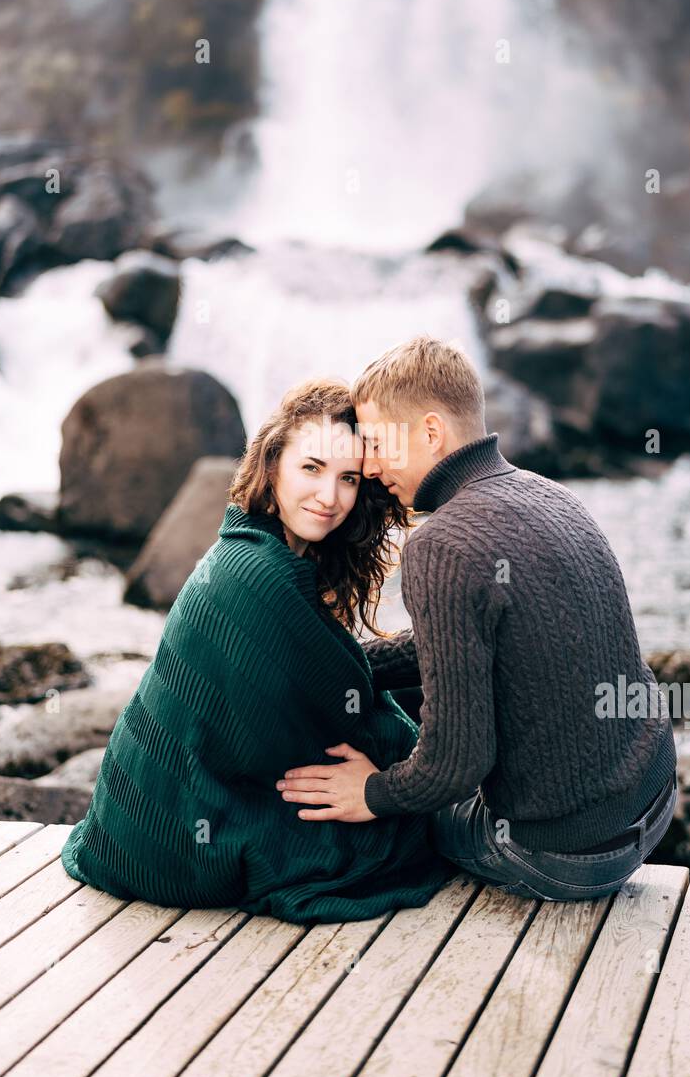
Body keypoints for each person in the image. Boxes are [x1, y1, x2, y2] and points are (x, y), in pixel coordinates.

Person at [276, 335, 679, 903]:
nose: (366, 466)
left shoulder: (441, 544)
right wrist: (350, 665)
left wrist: (369, 792)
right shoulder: (552, 494)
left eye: (374, 443)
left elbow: (453, 767)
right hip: (654, 798)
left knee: (397, 816)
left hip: (564, 857)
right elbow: (469, 637)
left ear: (432, 432)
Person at [60, 378, 455, 924]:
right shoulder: (260, 577)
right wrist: (411, 777)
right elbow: (347, 713)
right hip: (173, 843)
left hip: (129, 818)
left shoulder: (246, 544)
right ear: (273, 466)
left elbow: (331, 684)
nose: (329, 497)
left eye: (347, 479)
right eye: (311, 468)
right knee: (408, 832)